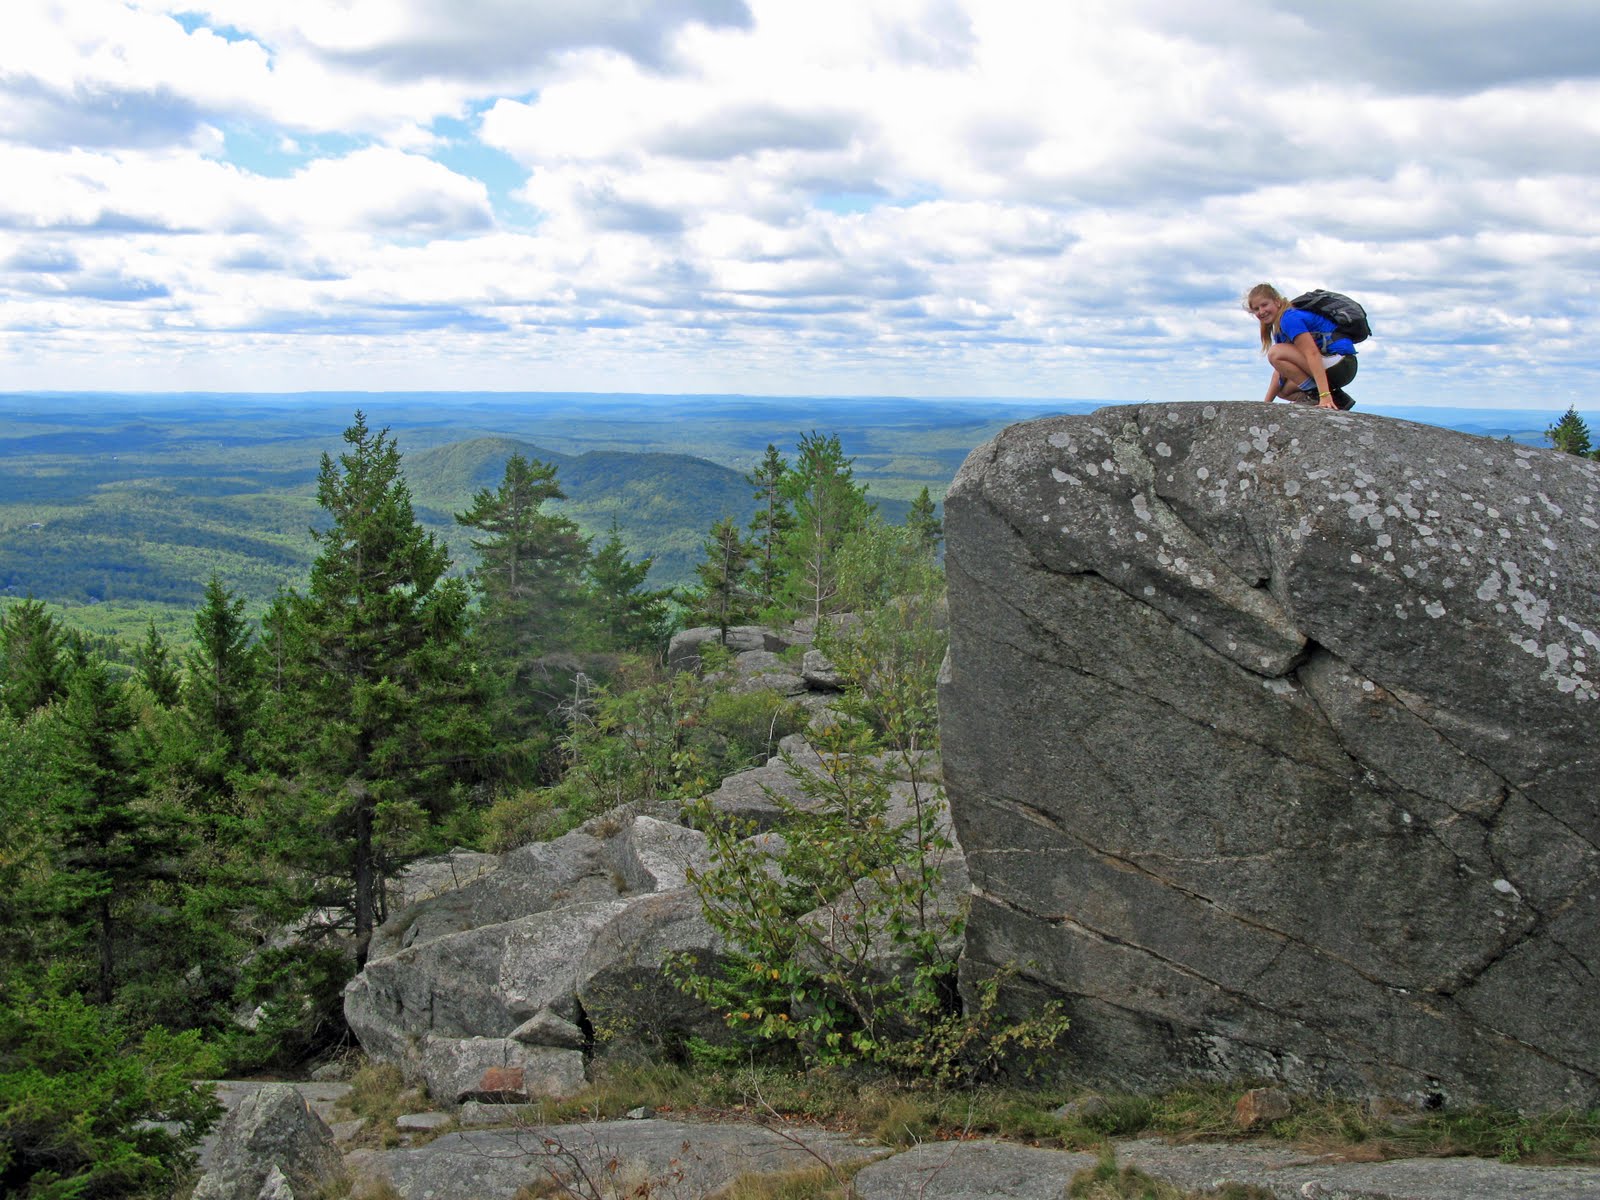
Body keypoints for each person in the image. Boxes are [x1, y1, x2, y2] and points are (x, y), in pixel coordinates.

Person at [1245, 283, 1357, 410]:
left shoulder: (1289, 318)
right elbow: (1279, 371)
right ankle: (1338, 398)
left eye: (1264, 305)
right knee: (1282, 390)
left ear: (1277, 301)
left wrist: (1324, 395)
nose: (1261, 311)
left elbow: (1312, 353)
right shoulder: (1280, 327)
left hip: (1341, 364)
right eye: (1256, 309)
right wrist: (1265, 406)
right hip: (1335, 365)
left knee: (1274, 353)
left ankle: (1319, 395)